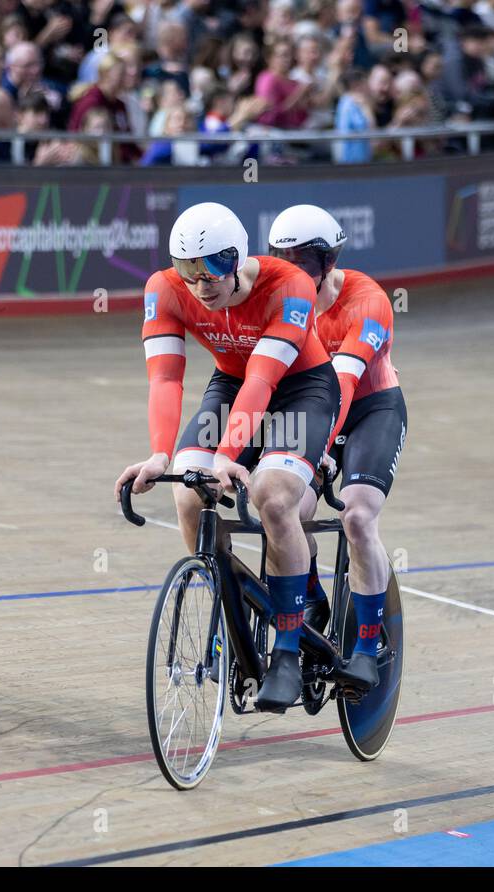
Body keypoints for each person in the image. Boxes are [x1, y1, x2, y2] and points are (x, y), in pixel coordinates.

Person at [114, 202, 349, 712]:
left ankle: (287, 648)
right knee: (186, 489)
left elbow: (265, 380)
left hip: (300, 389)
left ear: (238, 255)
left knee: (273, 496)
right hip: (232, 384)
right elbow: (167, 378)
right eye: (188, 271)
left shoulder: (290, 286)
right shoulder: (163, 290)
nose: (201, 285)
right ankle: (230, 613)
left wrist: (226, 455)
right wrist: (160, 454)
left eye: (214, 267)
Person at [268, 205, 403, 690]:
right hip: (313, 412)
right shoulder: (280, 299)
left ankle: (368, 644)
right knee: (283, 506)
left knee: (357, 517)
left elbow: (345, 381)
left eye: (302, 261)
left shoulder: (368, 301)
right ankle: (310, 596)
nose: (291, 272)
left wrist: (322, 448)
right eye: (282, 261)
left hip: (370, 411)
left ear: (328, 262)